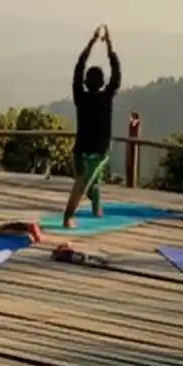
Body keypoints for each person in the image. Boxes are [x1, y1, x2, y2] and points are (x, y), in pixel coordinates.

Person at [63, 25, 122, 228]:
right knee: (87, 184)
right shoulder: (107, 96)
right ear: (102, 82)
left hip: (87, 150)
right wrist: (109, 45)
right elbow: (116, 72)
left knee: (82, 183)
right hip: (94, 150)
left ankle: (68, 217)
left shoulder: (81, 96)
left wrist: (91, 42)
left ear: (87, 82)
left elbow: (78, 67)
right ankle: (96, 208)